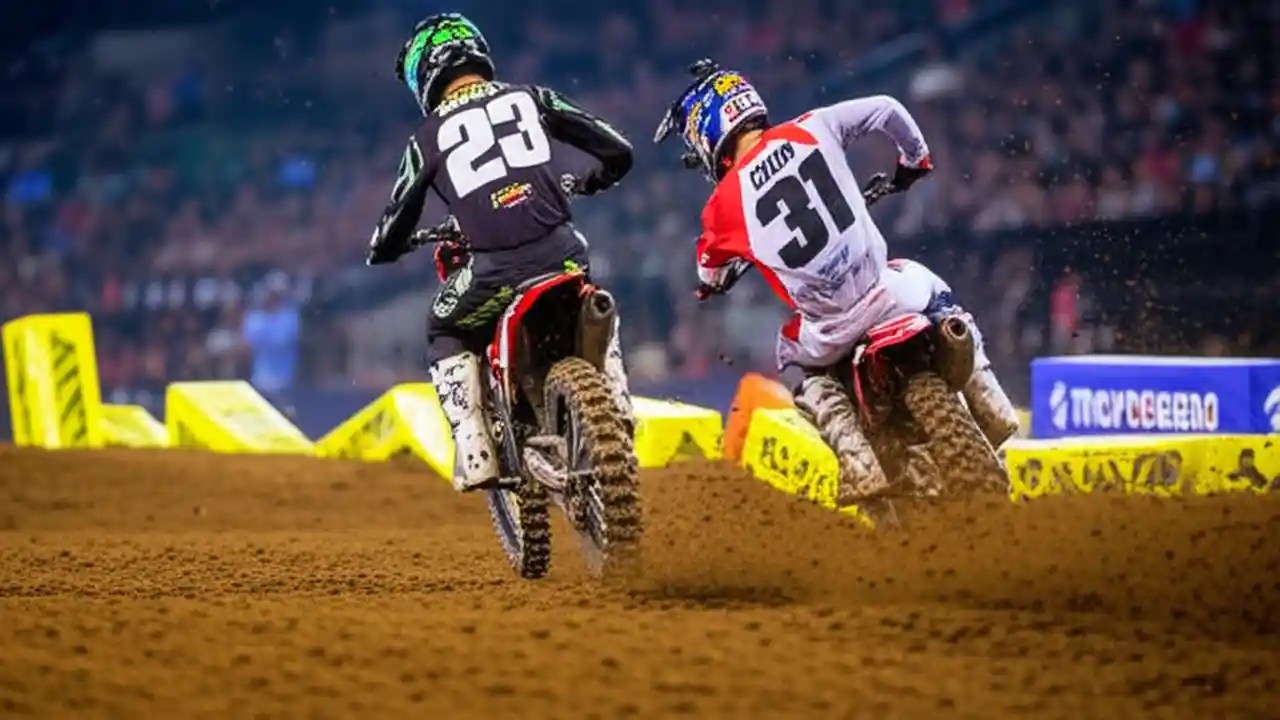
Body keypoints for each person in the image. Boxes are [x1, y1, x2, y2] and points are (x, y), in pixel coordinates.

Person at [654, 59, 1019, 501]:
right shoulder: (814, 126)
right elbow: (886, 109)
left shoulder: (721, 207)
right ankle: (990, 400)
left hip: (831, 331)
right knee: (932, 287)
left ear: (708, 134)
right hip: (888, 295)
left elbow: (708, 271)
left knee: (789, 357)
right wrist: (913, 161)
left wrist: (714, 283)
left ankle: (857, 460)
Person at [366, 13, 635, 492]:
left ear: (423, 74)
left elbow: (393, 224)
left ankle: (475, 448)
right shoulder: (531, 96)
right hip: (565, 251)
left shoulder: (427, 136)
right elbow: (617, 148)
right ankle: (616, 397)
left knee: (442, 325)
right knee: (592, 296)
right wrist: (594, 181)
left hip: (495, 270)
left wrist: (388, 247)